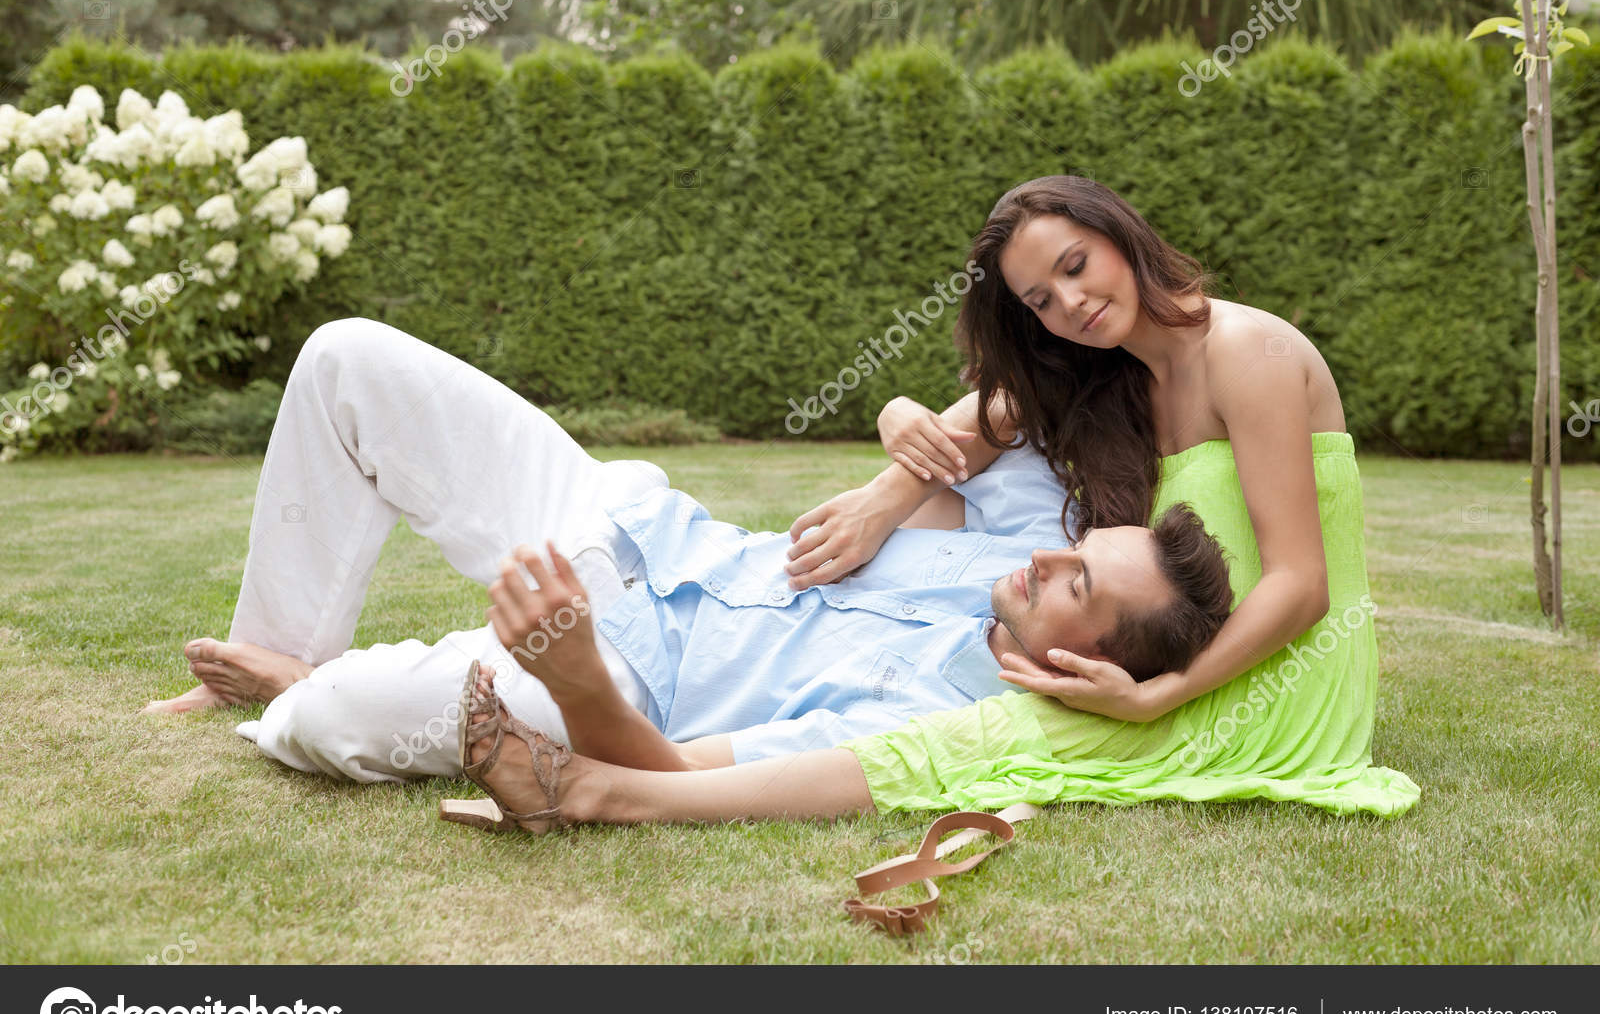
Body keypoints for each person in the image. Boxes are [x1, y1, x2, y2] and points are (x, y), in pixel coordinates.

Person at [447, 174, 1420, 829]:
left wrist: (1157, 695)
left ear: (1118, 234)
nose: (1069, 305)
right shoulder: (1120, 371)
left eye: (1075, 265)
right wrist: (894, 463)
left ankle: (604, 790)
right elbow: (984, 420)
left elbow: (1302, 585)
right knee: (981, 724)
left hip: (1261, 674)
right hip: (1164, 638)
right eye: (1039, 301)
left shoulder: (1244, 351)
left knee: (958, 744)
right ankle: (613, 772)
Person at [144, 316, 1234, 786]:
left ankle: (295, 683)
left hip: (621, 679)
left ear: (1082, 661)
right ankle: (276, 643)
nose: (1049, 561)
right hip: (634, 530)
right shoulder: (1021, 541)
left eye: (1077, 584)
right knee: (348, 359)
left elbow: (665, 774)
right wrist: (899, 449)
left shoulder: (938, 721)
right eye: (1078, 548)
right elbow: (1027, 394)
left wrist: (575, 671)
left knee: (334, 718)